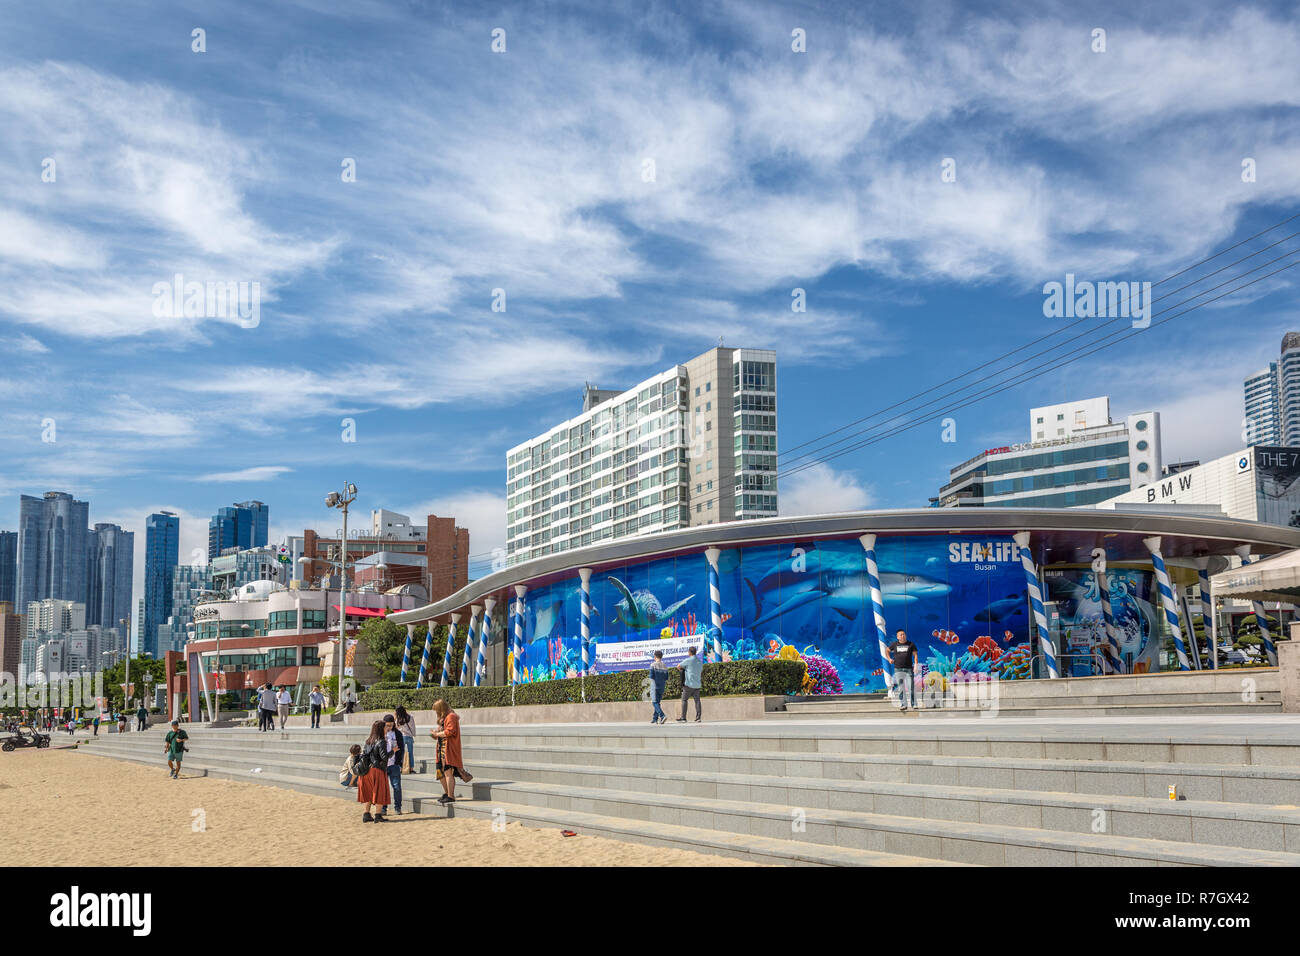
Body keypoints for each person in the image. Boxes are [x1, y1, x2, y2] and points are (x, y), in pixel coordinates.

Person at [428, 698, 472, 805]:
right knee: (440, 773)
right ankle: (447, 793)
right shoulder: (444, 718)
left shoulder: (451, 717)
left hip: (448, 749)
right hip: (441, 748)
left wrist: (437, 734)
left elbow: (450, 732)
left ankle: (451, 795)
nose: (436, 713)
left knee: (448, 772)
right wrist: (436, 733)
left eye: (437, 710)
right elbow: (443, 731)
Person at [357, 720, 392, 822]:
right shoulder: (381, 741)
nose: (387, 729)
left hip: (366, 771)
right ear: (381, 729)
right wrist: (392, 752)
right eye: (385, 727)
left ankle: (366, 814)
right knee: (379, 792)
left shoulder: (368, 741)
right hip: (377, 771)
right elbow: (384, 757)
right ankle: (378, 815)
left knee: (368, 792)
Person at [888, 629, 918, 711]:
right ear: (897, 637)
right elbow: (887, 650)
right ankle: (903, 704)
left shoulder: (911, 644)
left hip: (908, 669)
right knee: (901, 688)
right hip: (898, 669)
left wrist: (916, 665)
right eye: (900, 635)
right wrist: (889, 659)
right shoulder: (894, 644)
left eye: (904, 634)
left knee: (911, 687)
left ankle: (914, 704)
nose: (902, 636)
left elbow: (915, 655)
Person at [381, 714, 406, 814]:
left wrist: (399, 763)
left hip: (394, 764)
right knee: (383, 787)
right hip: (383, 765)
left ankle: (398, 807)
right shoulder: (381, 734)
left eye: (391, 725)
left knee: (396, 787)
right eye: (387, 725)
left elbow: (402, 749)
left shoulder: (398, 733)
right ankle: (383, 808)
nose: (389, 727)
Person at [675, 645, 704, 723]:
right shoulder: (699, 661)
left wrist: (684, 669)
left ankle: (683, 718)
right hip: (697, 684)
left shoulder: (688, 660)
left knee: (684, 700)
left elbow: (678, 666)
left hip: (689, 684)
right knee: (697, 701)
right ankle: (698, 718)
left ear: (689, 652)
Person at [647, 650, 669, 725]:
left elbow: (651, 676)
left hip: (654, 686)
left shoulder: (653, 665)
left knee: (654, 702)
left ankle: (662, 716)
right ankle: (655, 718)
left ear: (655, 657)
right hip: (662, 686)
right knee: (658, 703)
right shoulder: (665, 666)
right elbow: (666, 677)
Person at [394, 705, 416, 773]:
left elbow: (395, 727)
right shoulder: (410, 717)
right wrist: (413, 734)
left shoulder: (398, 718)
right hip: (409, 736)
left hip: (401, 737)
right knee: (410, 753)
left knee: (401, 753)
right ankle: (411, 768)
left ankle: (401, 768)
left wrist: (395, 717)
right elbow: (413, 727)